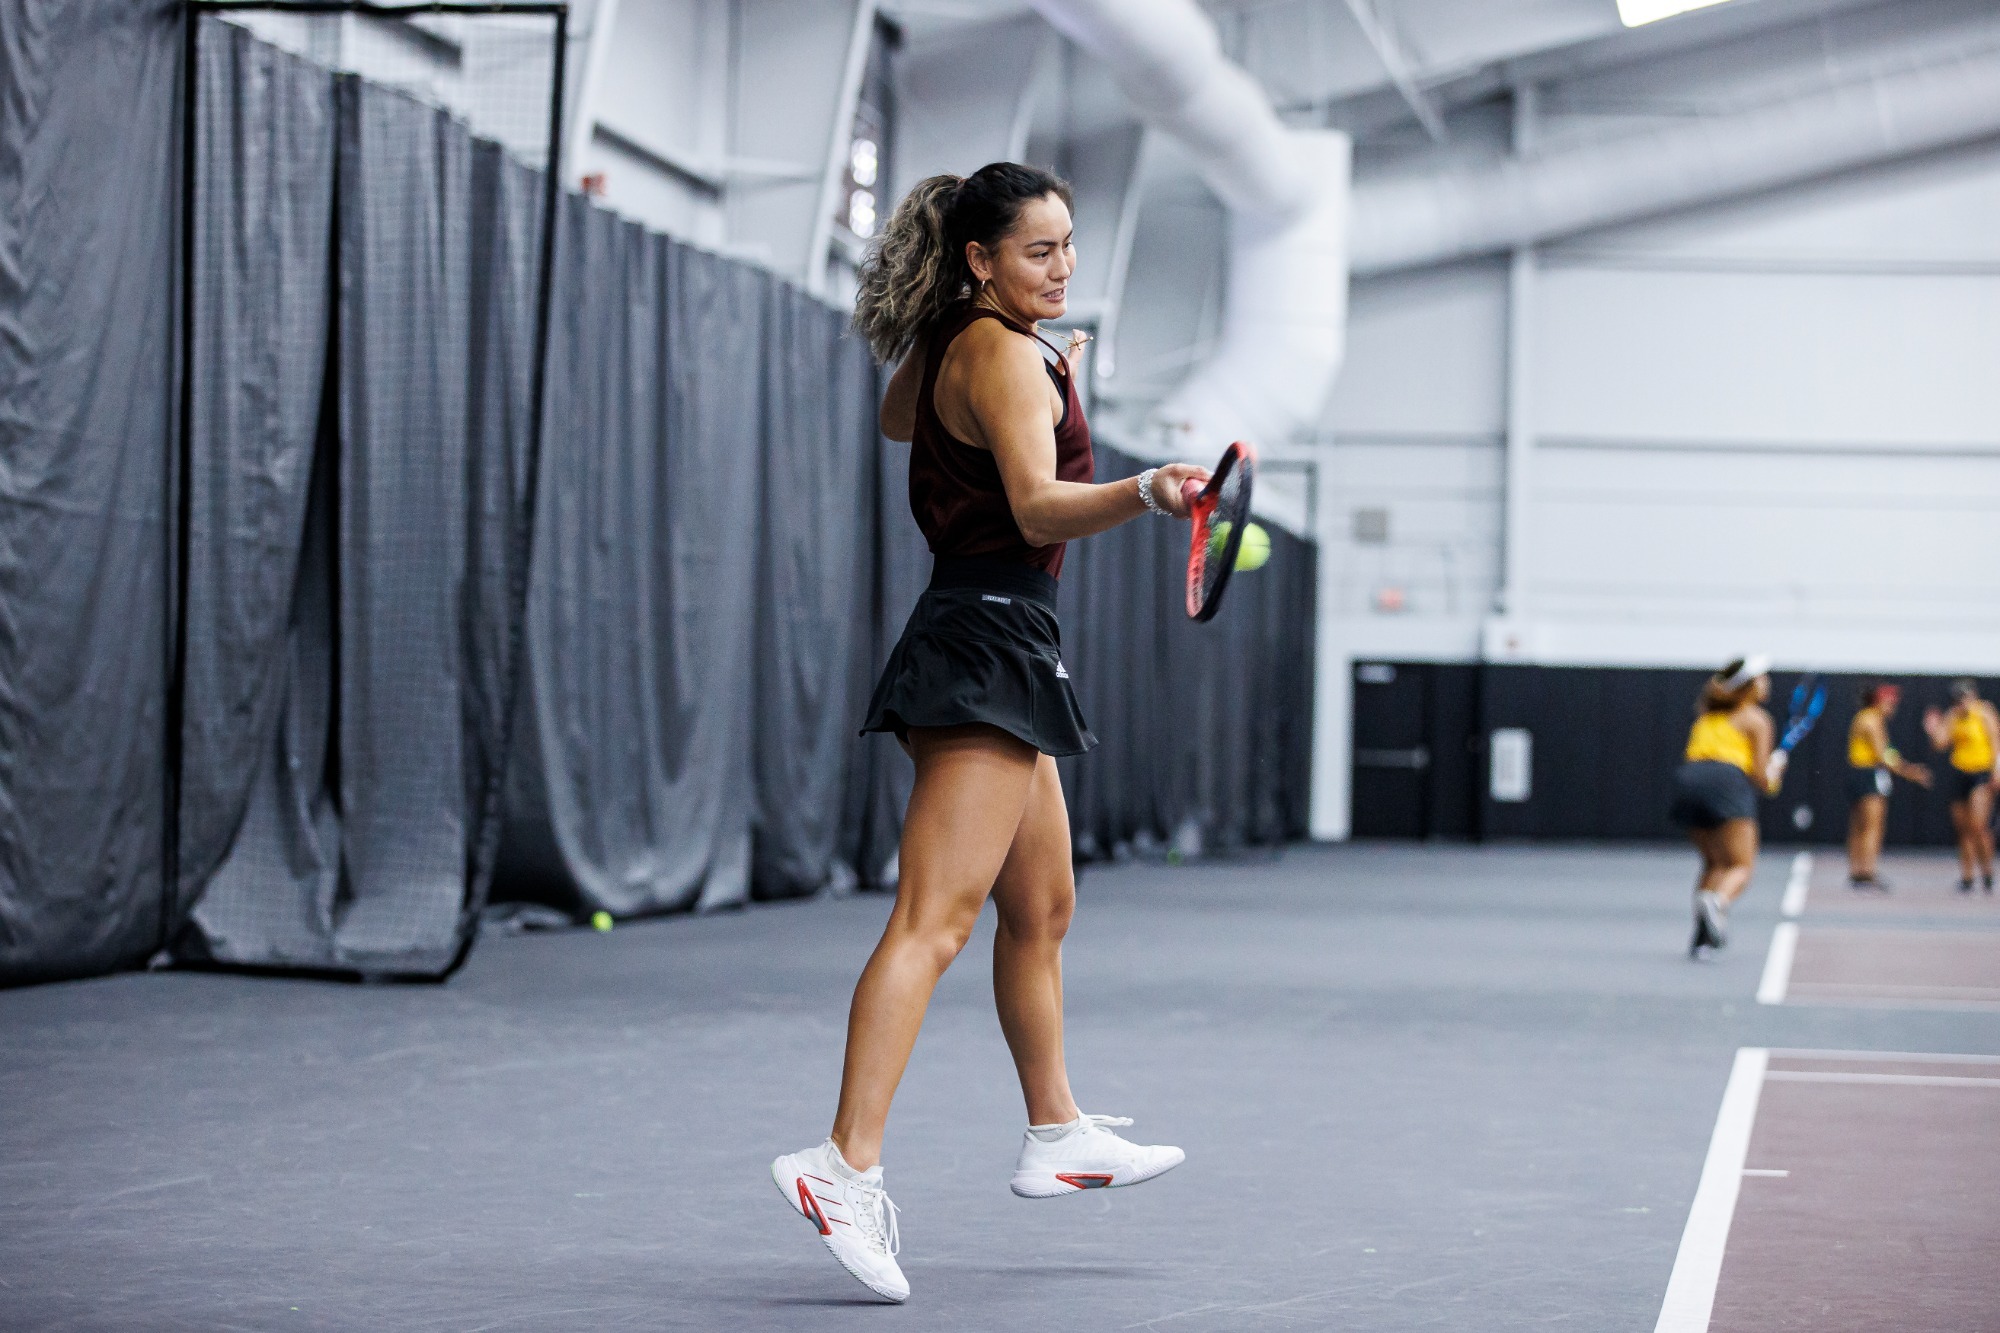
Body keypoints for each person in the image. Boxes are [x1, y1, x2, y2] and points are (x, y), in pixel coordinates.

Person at [768, 163, 1210, 1303]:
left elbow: (893, 415)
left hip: (995, 636)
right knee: (933, 920)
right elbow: (1032, 509)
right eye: (1036, 252)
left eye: (1067, 246)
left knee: (1043, 903)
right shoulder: (1006, 352)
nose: (1060, 268)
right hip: (982, 641)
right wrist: (1148, 490)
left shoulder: (970, 340)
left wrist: (970, 339)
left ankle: (1054, 1129)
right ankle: (840, 1164)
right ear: (978, 257)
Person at [1669, 657, 1787, 957]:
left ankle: (1701, 940)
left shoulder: (1706, 717)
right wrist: (1775, 770)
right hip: (1726, 782)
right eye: (1762, 678)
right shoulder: (1757, 719)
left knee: (1713, 864)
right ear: (1748, 686)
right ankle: (1718, 903)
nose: (1767, 683)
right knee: (1740, 866)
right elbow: (1761, 778)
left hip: (1689, 780)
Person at [1843, 683, 1930, 890]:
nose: (1892, 709)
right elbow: (1884, 755)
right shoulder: (1872, 720)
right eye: (1889, 704)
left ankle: (1858, 871)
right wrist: (1910, 771)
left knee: (1859, 825)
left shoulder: (1864, 717)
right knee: (1872, 826)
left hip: (1858, 773)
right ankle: (1867, 872)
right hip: (1868, 773)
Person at [1923, 680, 1999, 893]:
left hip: (1981, 773)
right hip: (1959, 772)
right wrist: (1932, 729)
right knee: (1963, 829)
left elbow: (1995, 743)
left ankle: (1987, 872)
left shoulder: (1984, 712)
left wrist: (1996, 771)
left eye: (1965, 698)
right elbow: (1940, 744)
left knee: (1978, 826)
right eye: (1958, 700)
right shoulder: (1953, 716)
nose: (1962, 704)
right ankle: (1967, 876)